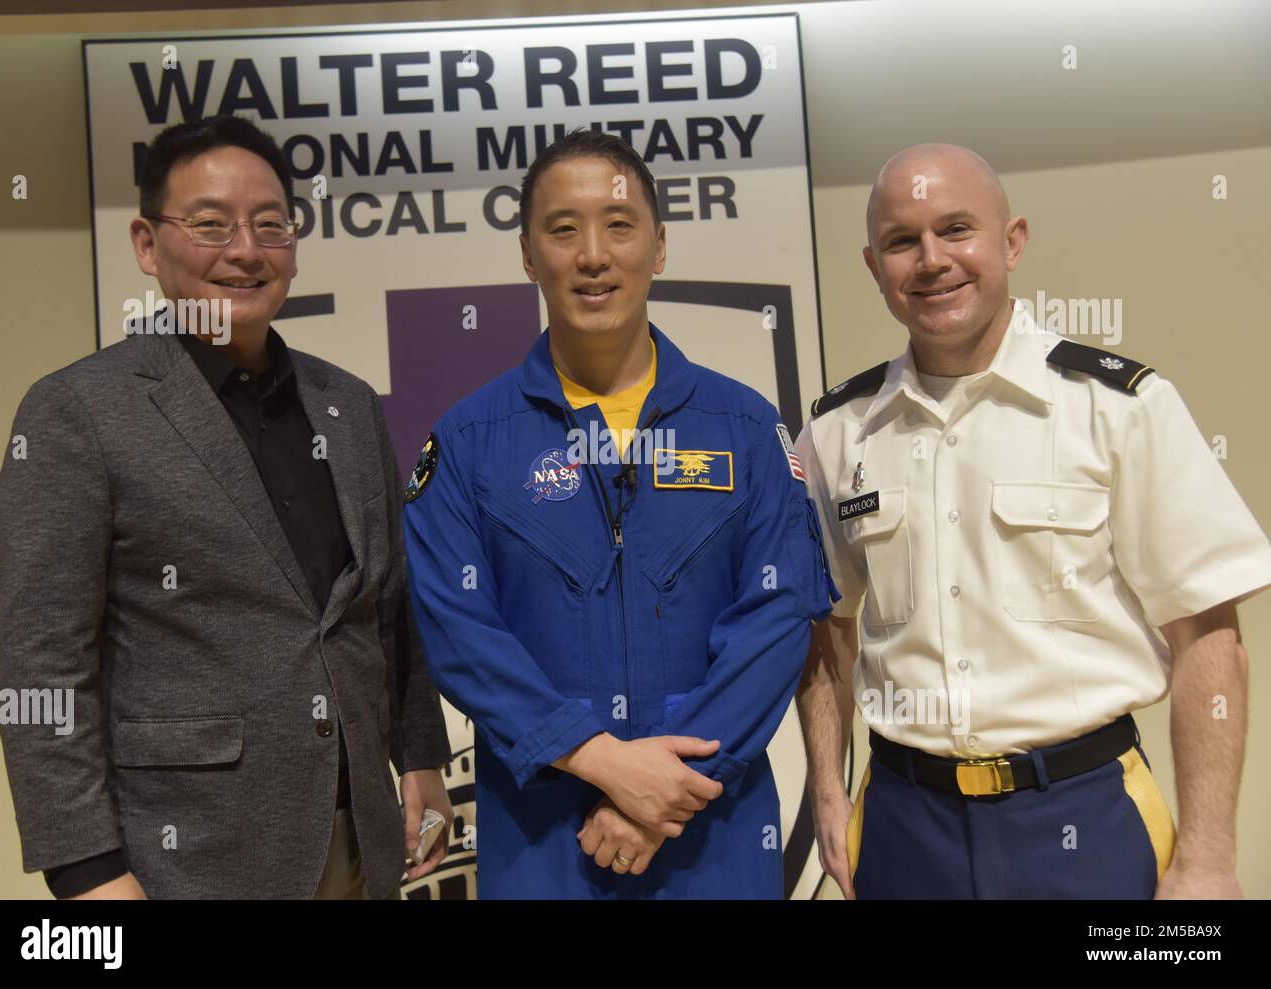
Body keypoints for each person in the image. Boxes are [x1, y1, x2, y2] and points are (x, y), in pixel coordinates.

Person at [0, 114, 452, 899]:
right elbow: (41, 663)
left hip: (360, 841)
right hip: (183, 858)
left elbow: (387, 607)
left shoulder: (346, 403)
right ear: (147, 243)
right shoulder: (79, 411)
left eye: (270, 225)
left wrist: (420, 757)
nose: (245, 250)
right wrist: (88, 869)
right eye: (210, 224)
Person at [795, 143, 1271, 899]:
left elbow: (1209, 638)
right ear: (873, 264)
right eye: (901, 241)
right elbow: (826, 626)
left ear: (1012, 241)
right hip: (901, 824)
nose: (931, 260)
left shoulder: (1118, 407)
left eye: (957, 229)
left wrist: (1209, 855)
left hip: (1089, 819)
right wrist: (827, 785)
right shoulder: (836, 432)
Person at [401, 129, 834, 898]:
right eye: (563, 230)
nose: (593, 254)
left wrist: (662, 794)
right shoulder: (469, 441)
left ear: (659, 246)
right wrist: (600, 758)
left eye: (620, 225)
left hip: (714, 836)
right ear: (529, 256)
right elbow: (457, 630)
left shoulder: (744, 427)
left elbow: (775, 621)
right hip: (543, 840)